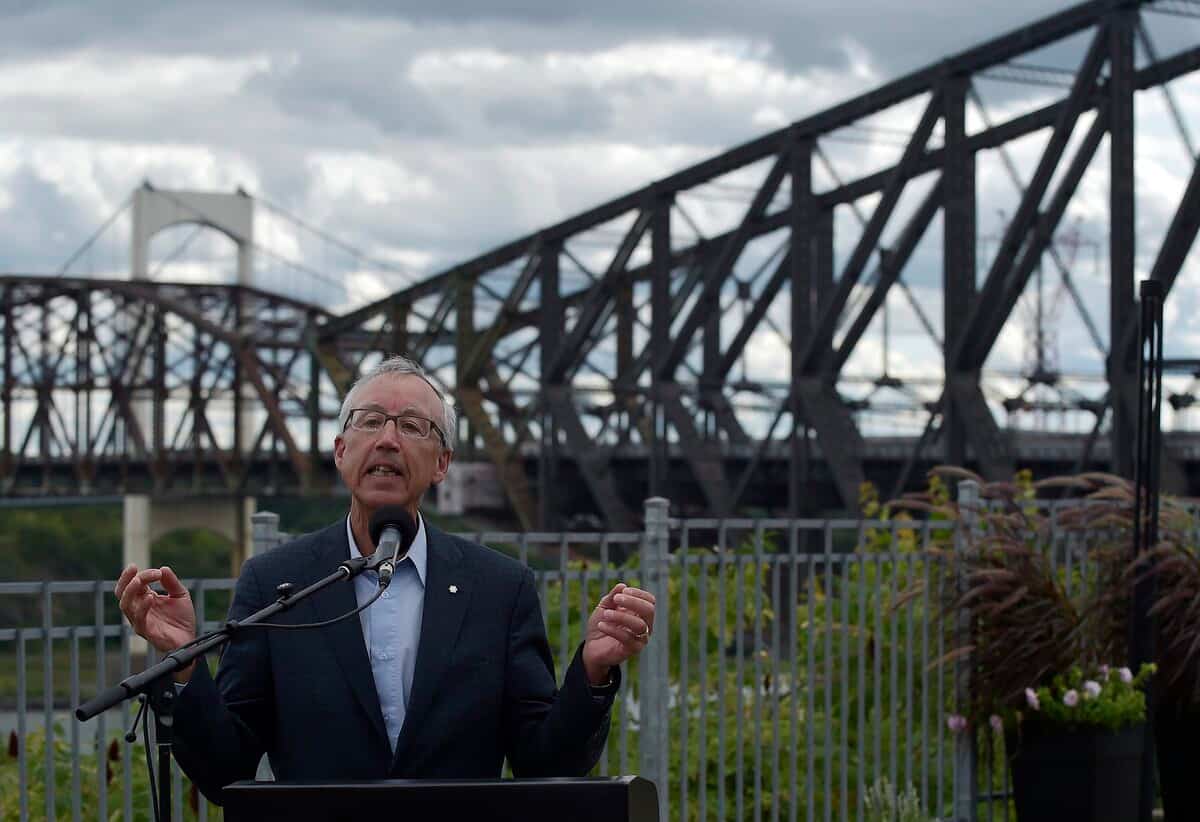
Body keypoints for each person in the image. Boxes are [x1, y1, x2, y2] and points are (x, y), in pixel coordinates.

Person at [115, 355, 655, 802]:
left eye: (413, 426)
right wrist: (183, 662)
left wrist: (592, 672)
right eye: (370, 422)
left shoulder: (500, 587)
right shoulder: (276, 582)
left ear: (441, 463)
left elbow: (545, 764)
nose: (389, 439)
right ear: (341, 452)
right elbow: (223, 770)